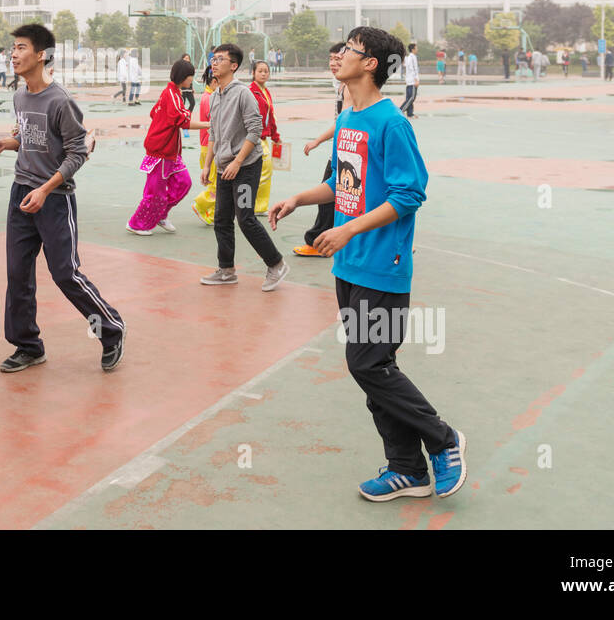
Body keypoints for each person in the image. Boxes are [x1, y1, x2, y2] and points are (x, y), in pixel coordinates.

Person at [268, 26, 465, 504]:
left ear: (371, 63)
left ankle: (443, 440)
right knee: (374, 367)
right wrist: (298, 197)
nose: (337, 56)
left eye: (349, 50)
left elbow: (409, 194)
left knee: (368, 363)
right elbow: (343, 184)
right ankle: (407, 469)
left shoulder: (391, 124)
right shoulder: (347, 119)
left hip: (383, 264)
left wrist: (350, 228)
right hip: (349, 266)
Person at [0, 23, 125, 373]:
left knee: (65, 273)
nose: (13, 54)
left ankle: (111, 329)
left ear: (41, 55)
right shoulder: (19, 97)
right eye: (12, 48)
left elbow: (76, 154)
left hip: (54, 198)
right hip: (21, 194)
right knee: (17, 273)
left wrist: (45, 189)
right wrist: (6, 142)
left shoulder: (61, 101)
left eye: (20, 48)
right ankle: (28, 345)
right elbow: (31, 139)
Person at [198, 43, 290, 292]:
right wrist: (208, 166)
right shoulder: (216, 95)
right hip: (225, 165)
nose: (214, 63)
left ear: (234, 65)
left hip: (247, 165)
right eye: (213, 58)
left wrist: (238, 162)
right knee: (221, 219)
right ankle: (226, 270)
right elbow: (214, 134)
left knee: (246, 218)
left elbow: (255, 130)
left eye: (220, 59)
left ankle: (276, 264)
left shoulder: (243, 94)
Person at [127, 58, 209, 235]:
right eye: (190, 77)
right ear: (183, 76)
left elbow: (154, 112)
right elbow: (182, 121)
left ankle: (160, 215)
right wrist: (208, 124)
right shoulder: (171, 94)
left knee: (184, 183)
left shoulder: (174, 93)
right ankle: (137, 224)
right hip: (161, 152)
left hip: (171, 152)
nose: (191, 81)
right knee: (154, 192)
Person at [294, 42, 344, 258]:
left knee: (328, 198)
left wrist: (317, 141)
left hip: (346, 153)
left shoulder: (350, 87)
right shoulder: (341, 84)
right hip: (342, 151)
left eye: (338, 59)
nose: (333, 63)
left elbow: (344, 123)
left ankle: (317, 242)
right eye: (331, 59)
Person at [249, 60, 281, 215]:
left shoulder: (265, 91)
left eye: (266, 71)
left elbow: (270, 117)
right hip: (254, 139)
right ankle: (254, 205)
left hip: (264, 138)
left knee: (265, 171)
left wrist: (275, 136)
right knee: (264, 169)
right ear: (253, 73)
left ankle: (259, 206)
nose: (263, 73)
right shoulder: (250, 91)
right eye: (260, 71)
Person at [190, 81, 218, 224]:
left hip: (206, 144)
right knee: (215, 182)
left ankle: (211, 213)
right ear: (214, 82)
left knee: (213, 180)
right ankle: (201, 203)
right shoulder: (210, 98)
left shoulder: (208, 95)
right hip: (209, 145)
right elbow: (215, 122)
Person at [400, 42, 419, 118]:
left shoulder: (408, 57)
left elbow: (405, 65)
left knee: (409, 98)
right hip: (412, 80)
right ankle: (400, 111)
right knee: (411, 98)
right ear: (413, 49)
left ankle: (410, 113)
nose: (417, 49)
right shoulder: (413, 57)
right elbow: (413, 68)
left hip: (408, 80)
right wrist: (416, 79)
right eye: (416, 48)